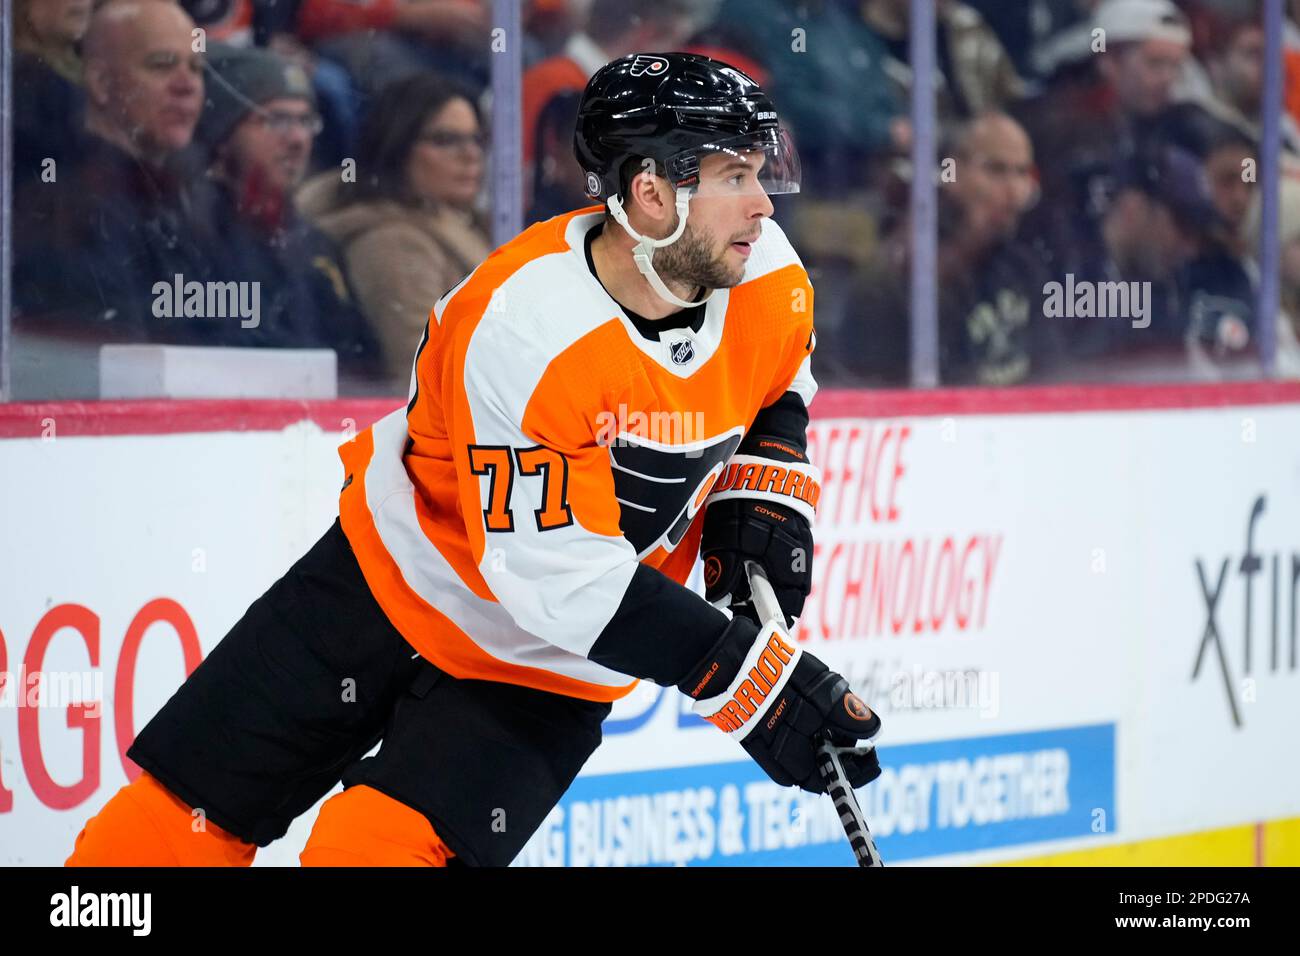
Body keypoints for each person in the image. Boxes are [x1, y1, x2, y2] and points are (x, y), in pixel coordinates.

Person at [65, 52, 883, 868]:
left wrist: (762, 487)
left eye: (759, 170)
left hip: (544, 669)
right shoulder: (526, 329)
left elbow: (780, 379)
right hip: (394, 576)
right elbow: (563, 578)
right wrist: (754, 680)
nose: (761, 203)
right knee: (174, 827)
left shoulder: (765, 271)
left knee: (372, 855)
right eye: (734, 175)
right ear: (650, 192)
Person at [13, 0, 213, 335]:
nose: (187, 85)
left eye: (196, 67)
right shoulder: (69, 213)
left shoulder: (196, 204)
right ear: (102, 84)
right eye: (162, 64)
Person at [297, 72, 491, 387]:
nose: (470, 155)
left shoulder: (462, 223)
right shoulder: (393, 244)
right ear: (397, 148)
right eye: (445, 140)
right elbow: (424, 373)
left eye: (476, 139)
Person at [196, 44, 380, 371]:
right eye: (276, 120)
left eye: (306, 121)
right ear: (222, 133)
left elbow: (362, 364)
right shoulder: (194, 234)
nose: (297, 139)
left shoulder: (315, 244)